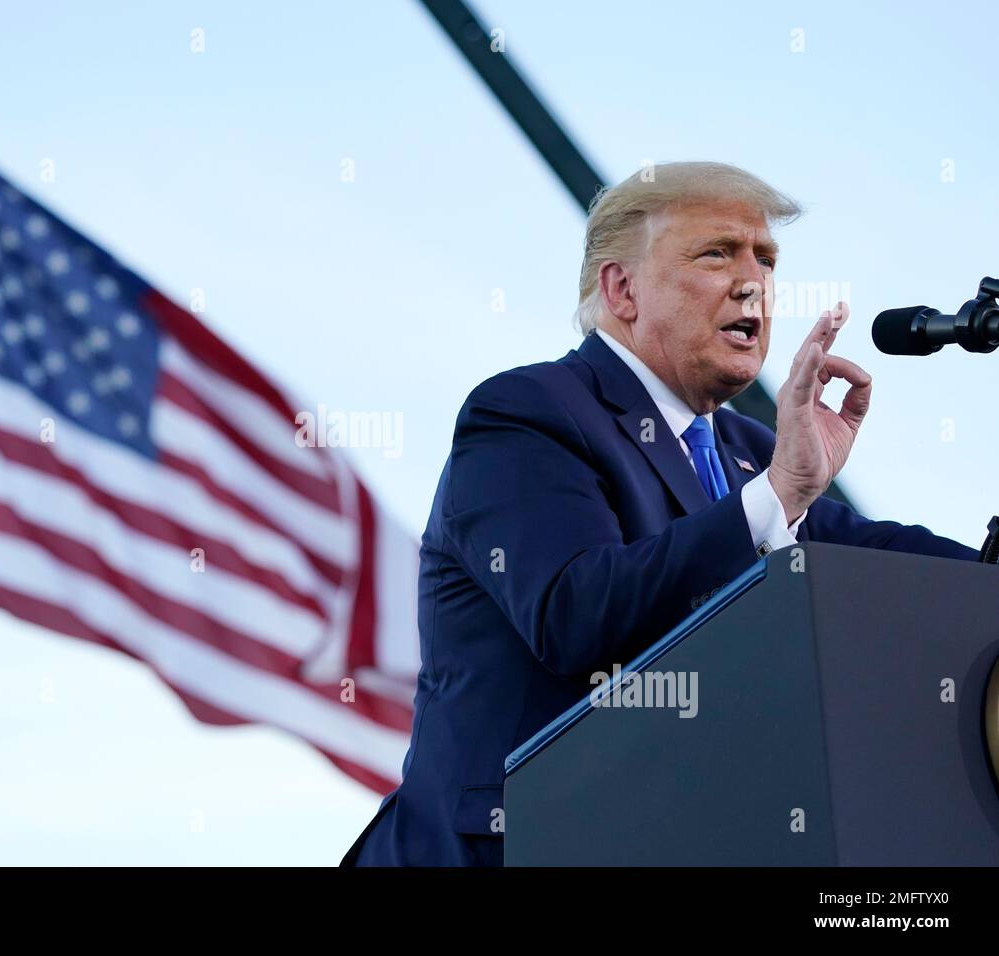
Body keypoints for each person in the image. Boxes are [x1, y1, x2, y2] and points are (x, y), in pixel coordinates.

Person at [341, 161, 979, 867]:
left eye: (765, 259)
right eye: (717, 253)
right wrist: (779, 494)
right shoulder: (527, 413)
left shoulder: (748, 453)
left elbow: (869, 555)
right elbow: (575, 615)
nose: (752, 282)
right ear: (622, 289)